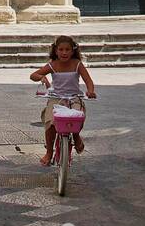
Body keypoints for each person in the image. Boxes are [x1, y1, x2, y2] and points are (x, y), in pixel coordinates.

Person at [30, 35, 96, 167]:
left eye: (67, 49)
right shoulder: (52, 65)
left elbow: (88, 80)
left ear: (72, 51)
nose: (64, 52)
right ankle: (49, 152)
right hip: (56, 98)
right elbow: (33, 75)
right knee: (50, 124)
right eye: (61, 49)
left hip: (74, 97)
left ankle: (76, 136)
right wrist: (42, 77)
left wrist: (90, 90)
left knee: (78, 116)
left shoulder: (77, 64)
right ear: (55, 51)